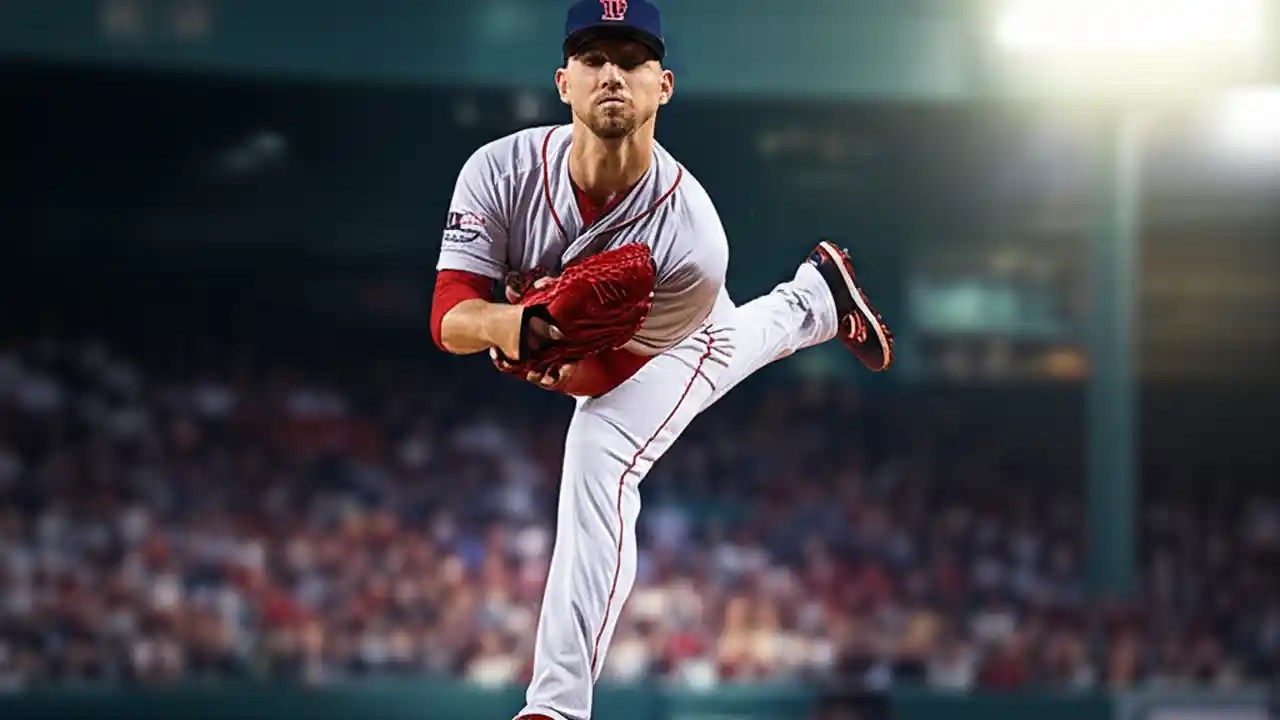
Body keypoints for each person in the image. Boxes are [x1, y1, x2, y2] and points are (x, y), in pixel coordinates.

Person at [429, 2, 894, 718]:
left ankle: (555, 706)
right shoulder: (499, 170)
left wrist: (551, 354)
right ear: (562, 82)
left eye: (632, 58)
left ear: (663, 85)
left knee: (602, 448)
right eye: (591, 57)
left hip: (677, 333)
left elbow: (610, 377)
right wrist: (519, 326)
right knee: (708, 365)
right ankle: (816, 300)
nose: (611, 73)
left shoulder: (694, 235)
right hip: (589, 326)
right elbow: (449, 319)